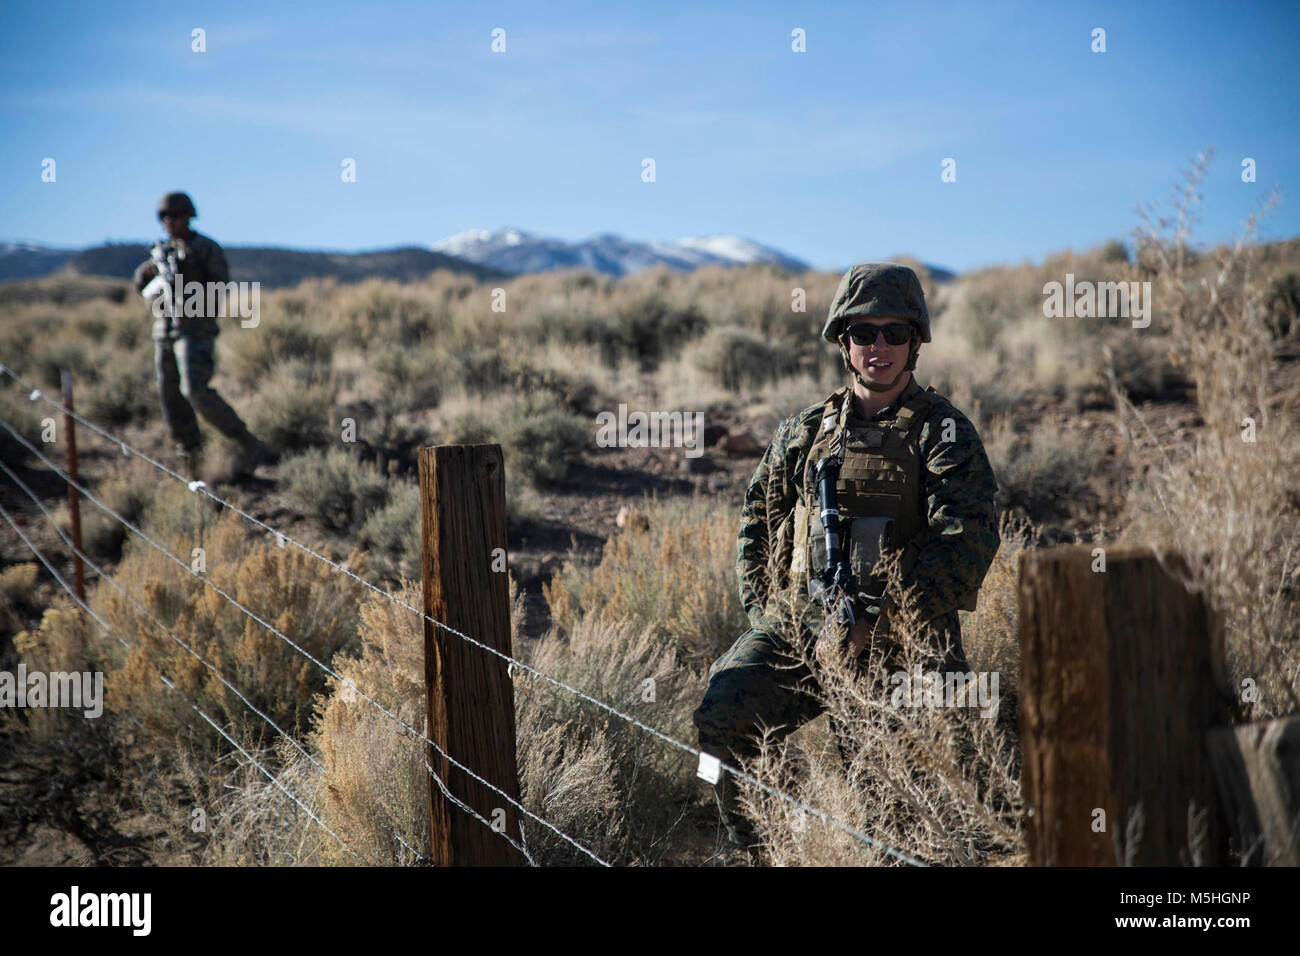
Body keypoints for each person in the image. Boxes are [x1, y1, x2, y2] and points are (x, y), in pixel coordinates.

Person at [692, 262, 1000, 860]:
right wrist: (767, 617)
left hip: (905, 643)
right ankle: (757, 847)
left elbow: (965, 544)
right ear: (843, 342)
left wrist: (874, 623)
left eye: (893, 332)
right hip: (806, 627)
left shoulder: (944, 434)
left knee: (889, 810)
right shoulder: (806, 430)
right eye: (863, 333)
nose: (878, 346)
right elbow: (757, 519)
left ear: (915, 340)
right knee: (717, 720)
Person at [133, 191, 273, 479]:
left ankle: (248, 444)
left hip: (195, 330)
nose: (169, 222)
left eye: (175, 215)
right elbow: (141, 286)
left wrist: (189, 277)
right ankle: (191, 460)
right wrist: (148, 273)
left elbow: (220, 287)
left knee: (195, 391)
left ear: (187, 215)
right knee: (169, 395)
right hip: (165, 330)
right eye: (164, 217)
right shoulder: (161, 252)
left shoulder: (206, 248)